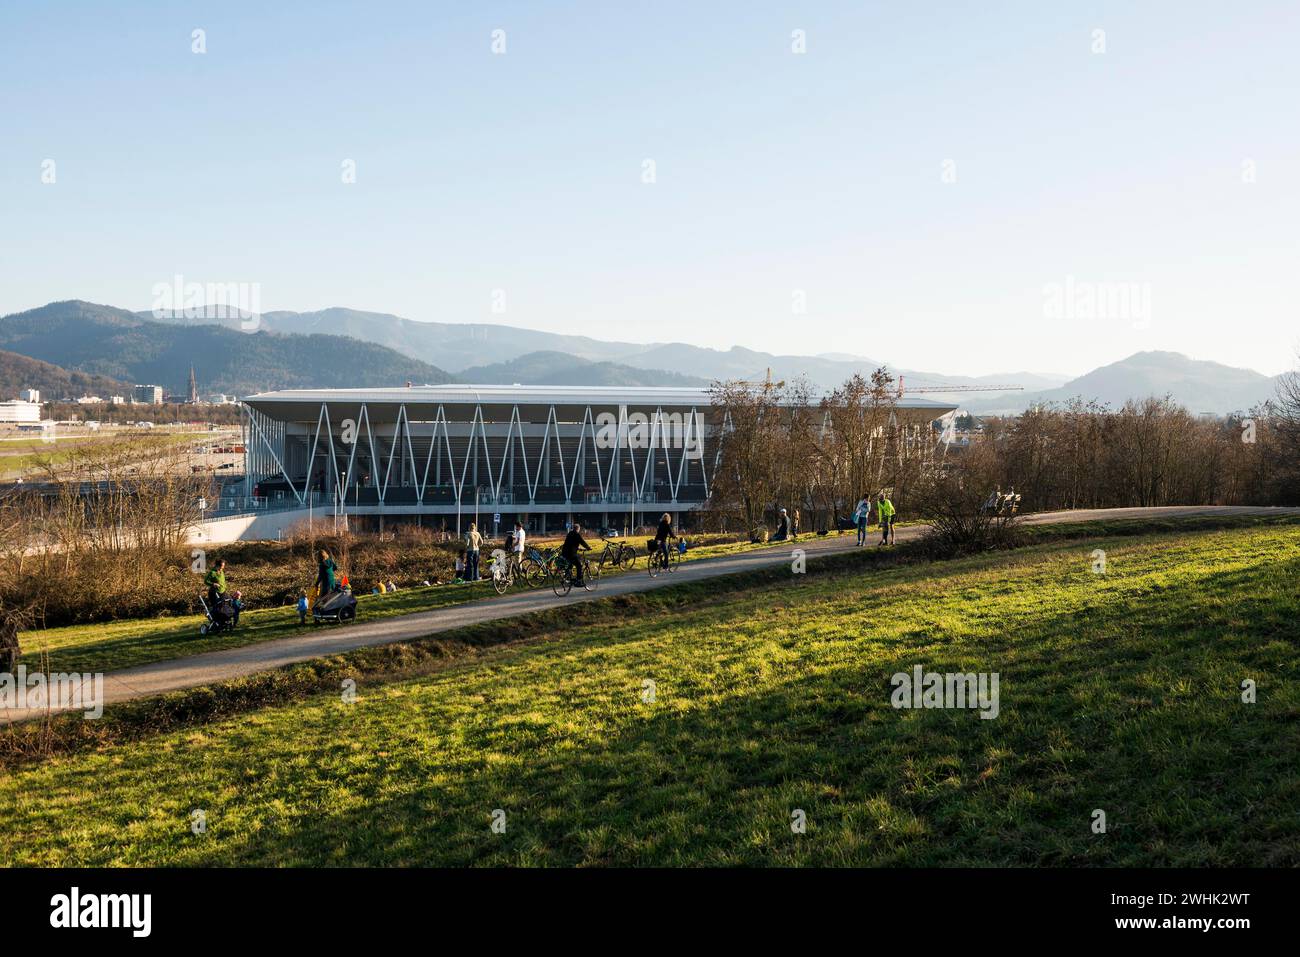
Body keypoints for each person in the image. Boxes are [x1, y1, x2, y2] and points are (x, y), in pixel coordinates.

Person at [561, 522, 591, 586]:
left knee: (570, 564)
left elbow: (571, 544)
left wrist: (578, 548)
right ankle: (578, 581)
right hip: (571, 553)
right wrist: (588, 547)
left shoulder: (570, 533)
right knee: (579, 565)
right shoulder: (577, 535)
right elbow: (582, 542)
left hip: (564, 553)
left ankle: (566, 578)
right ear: (578, 529)